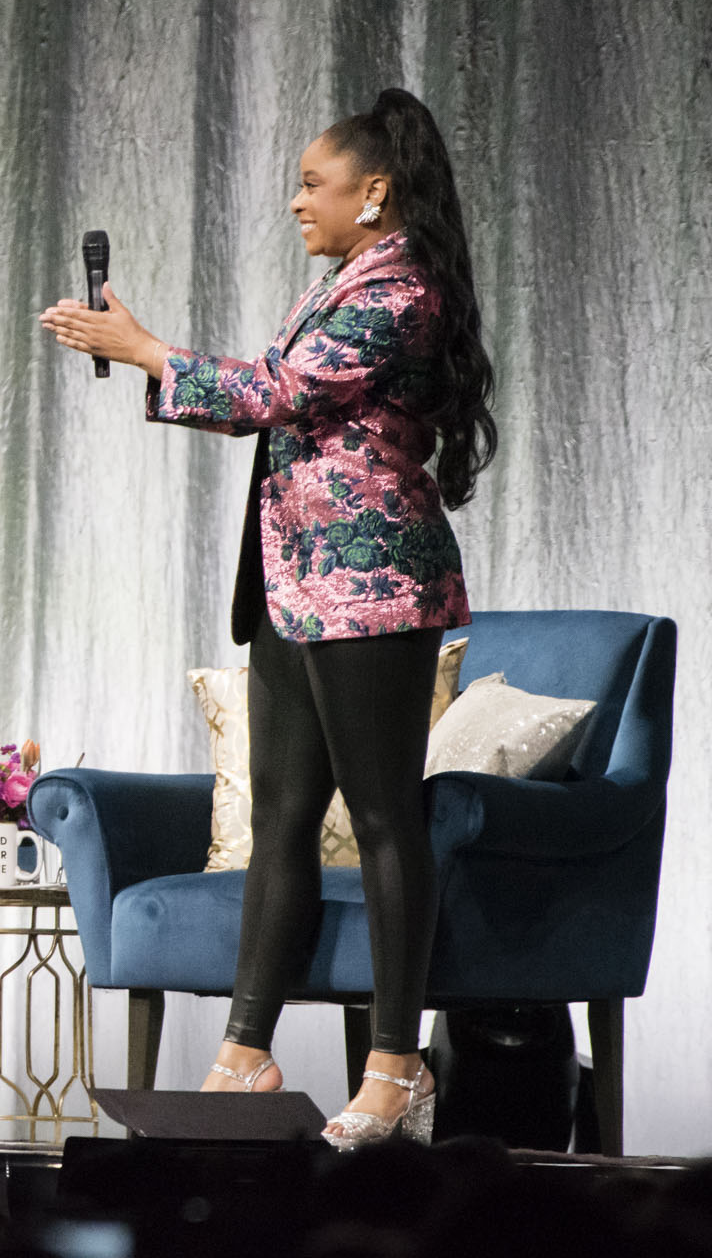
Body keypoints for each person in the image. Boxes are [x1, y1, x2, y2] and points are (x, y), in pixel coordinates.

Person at [40, 88, 496, 1147]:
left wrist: (148, 348)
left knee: (383, 816)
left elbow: (278, 392)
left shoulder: (402, 291)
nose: (296, 201)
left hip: (369, 587)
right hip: (292, 588)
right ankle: (244, 1053)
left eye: (311, 183)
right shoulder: (335, 282)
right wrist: (150, 357)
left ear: (371, 192)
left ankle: (395, 1066)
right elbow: (268, 392)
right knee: (279, 816)